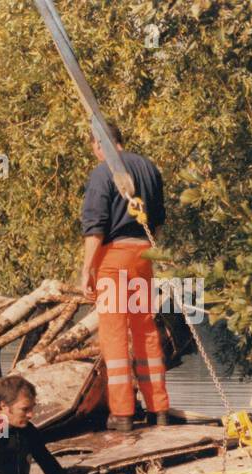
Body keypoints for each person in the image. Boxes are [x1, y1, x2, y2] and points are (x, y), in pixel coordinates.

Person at [79, 121, 171, 433]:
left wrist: (86, 270)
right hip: (144, 254)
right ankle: (158, 408)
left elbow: (95, 228)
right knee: (145, 329)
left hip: (113, 258)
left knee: (114, 334)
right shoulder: (148, 168)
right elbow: (157, 222)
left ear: (99, 144)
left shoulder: (103, 172)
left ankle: (122, 413)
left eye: (94, 147)